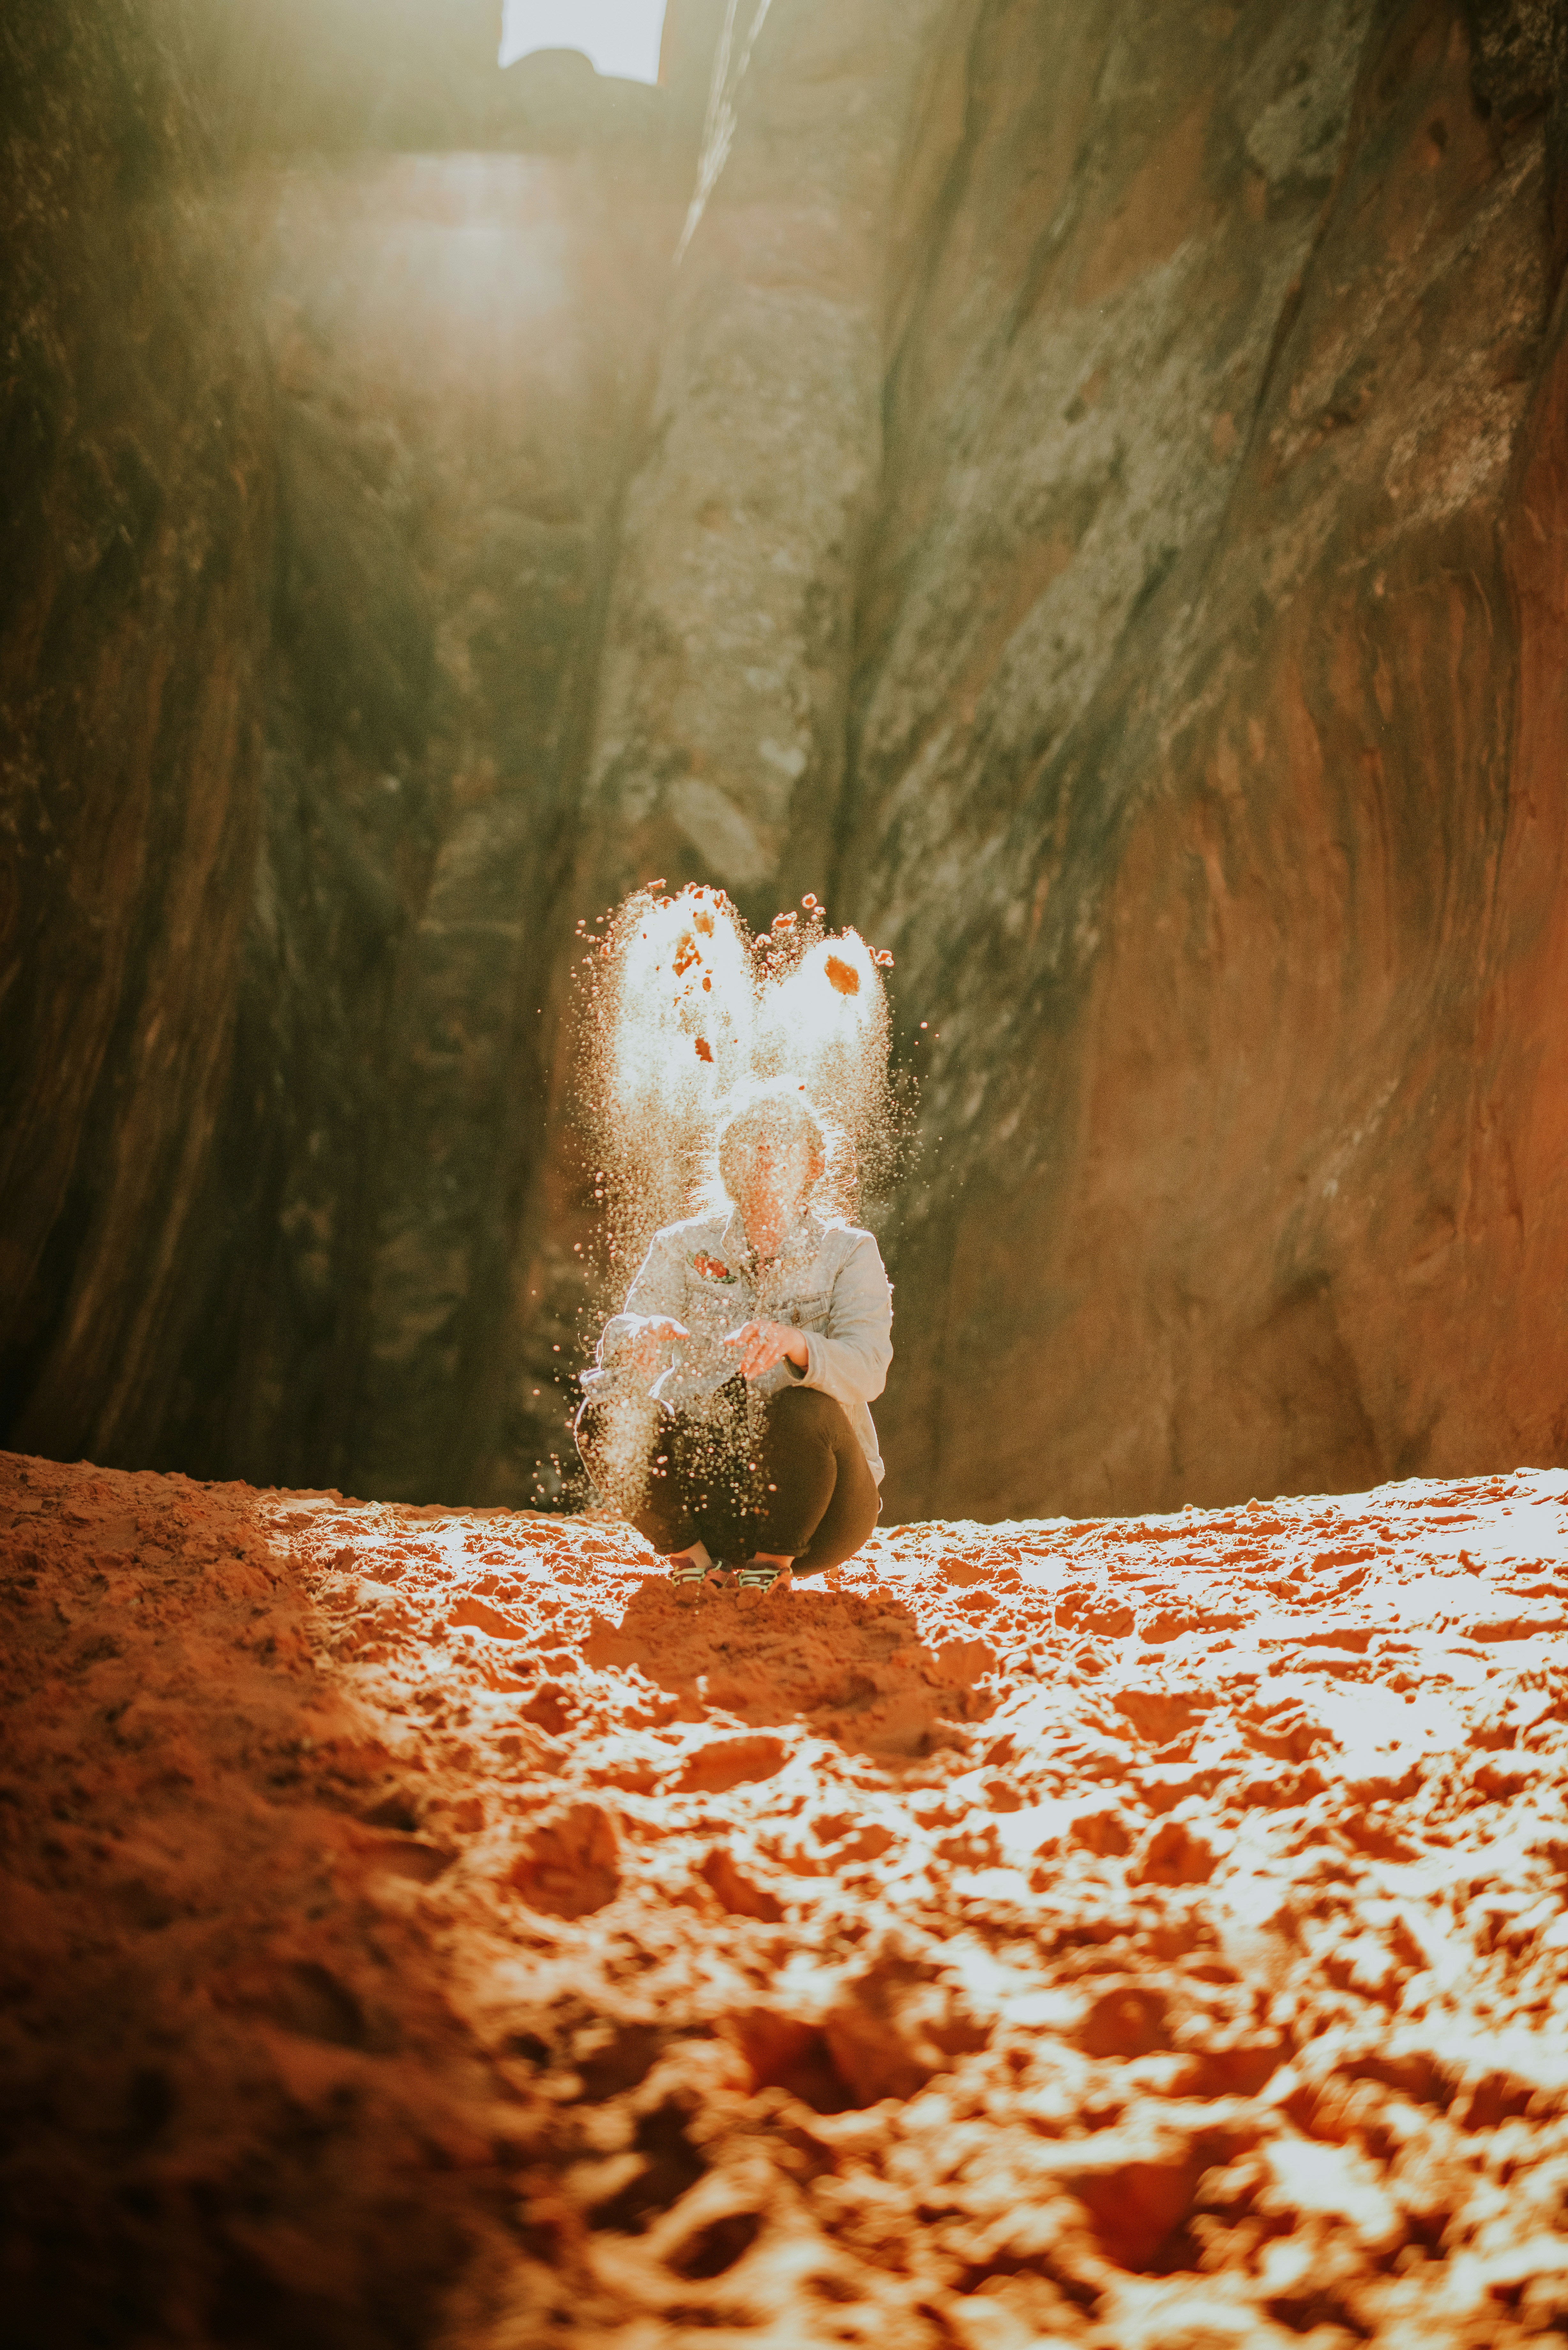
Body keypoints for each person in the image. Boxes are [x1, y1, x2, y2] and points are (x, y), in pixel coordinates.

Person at [576, 1081, 893, 1595]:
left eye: (782, 1138)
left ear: (815, 1165)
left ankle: (772, 1566)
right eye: (751, 1138)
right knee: (607, 1409)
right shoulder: (681, 1246)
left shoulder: (850, 1252)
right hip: (710, 1502)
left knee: (804, 1410)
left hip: (823, 1510)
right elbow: (621, 1337)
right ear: (727, 1163)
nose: (766, 1149)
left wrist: (795, 1343)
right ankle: (692, 1561)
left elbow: (868, 1368)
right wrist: (641, 1336)